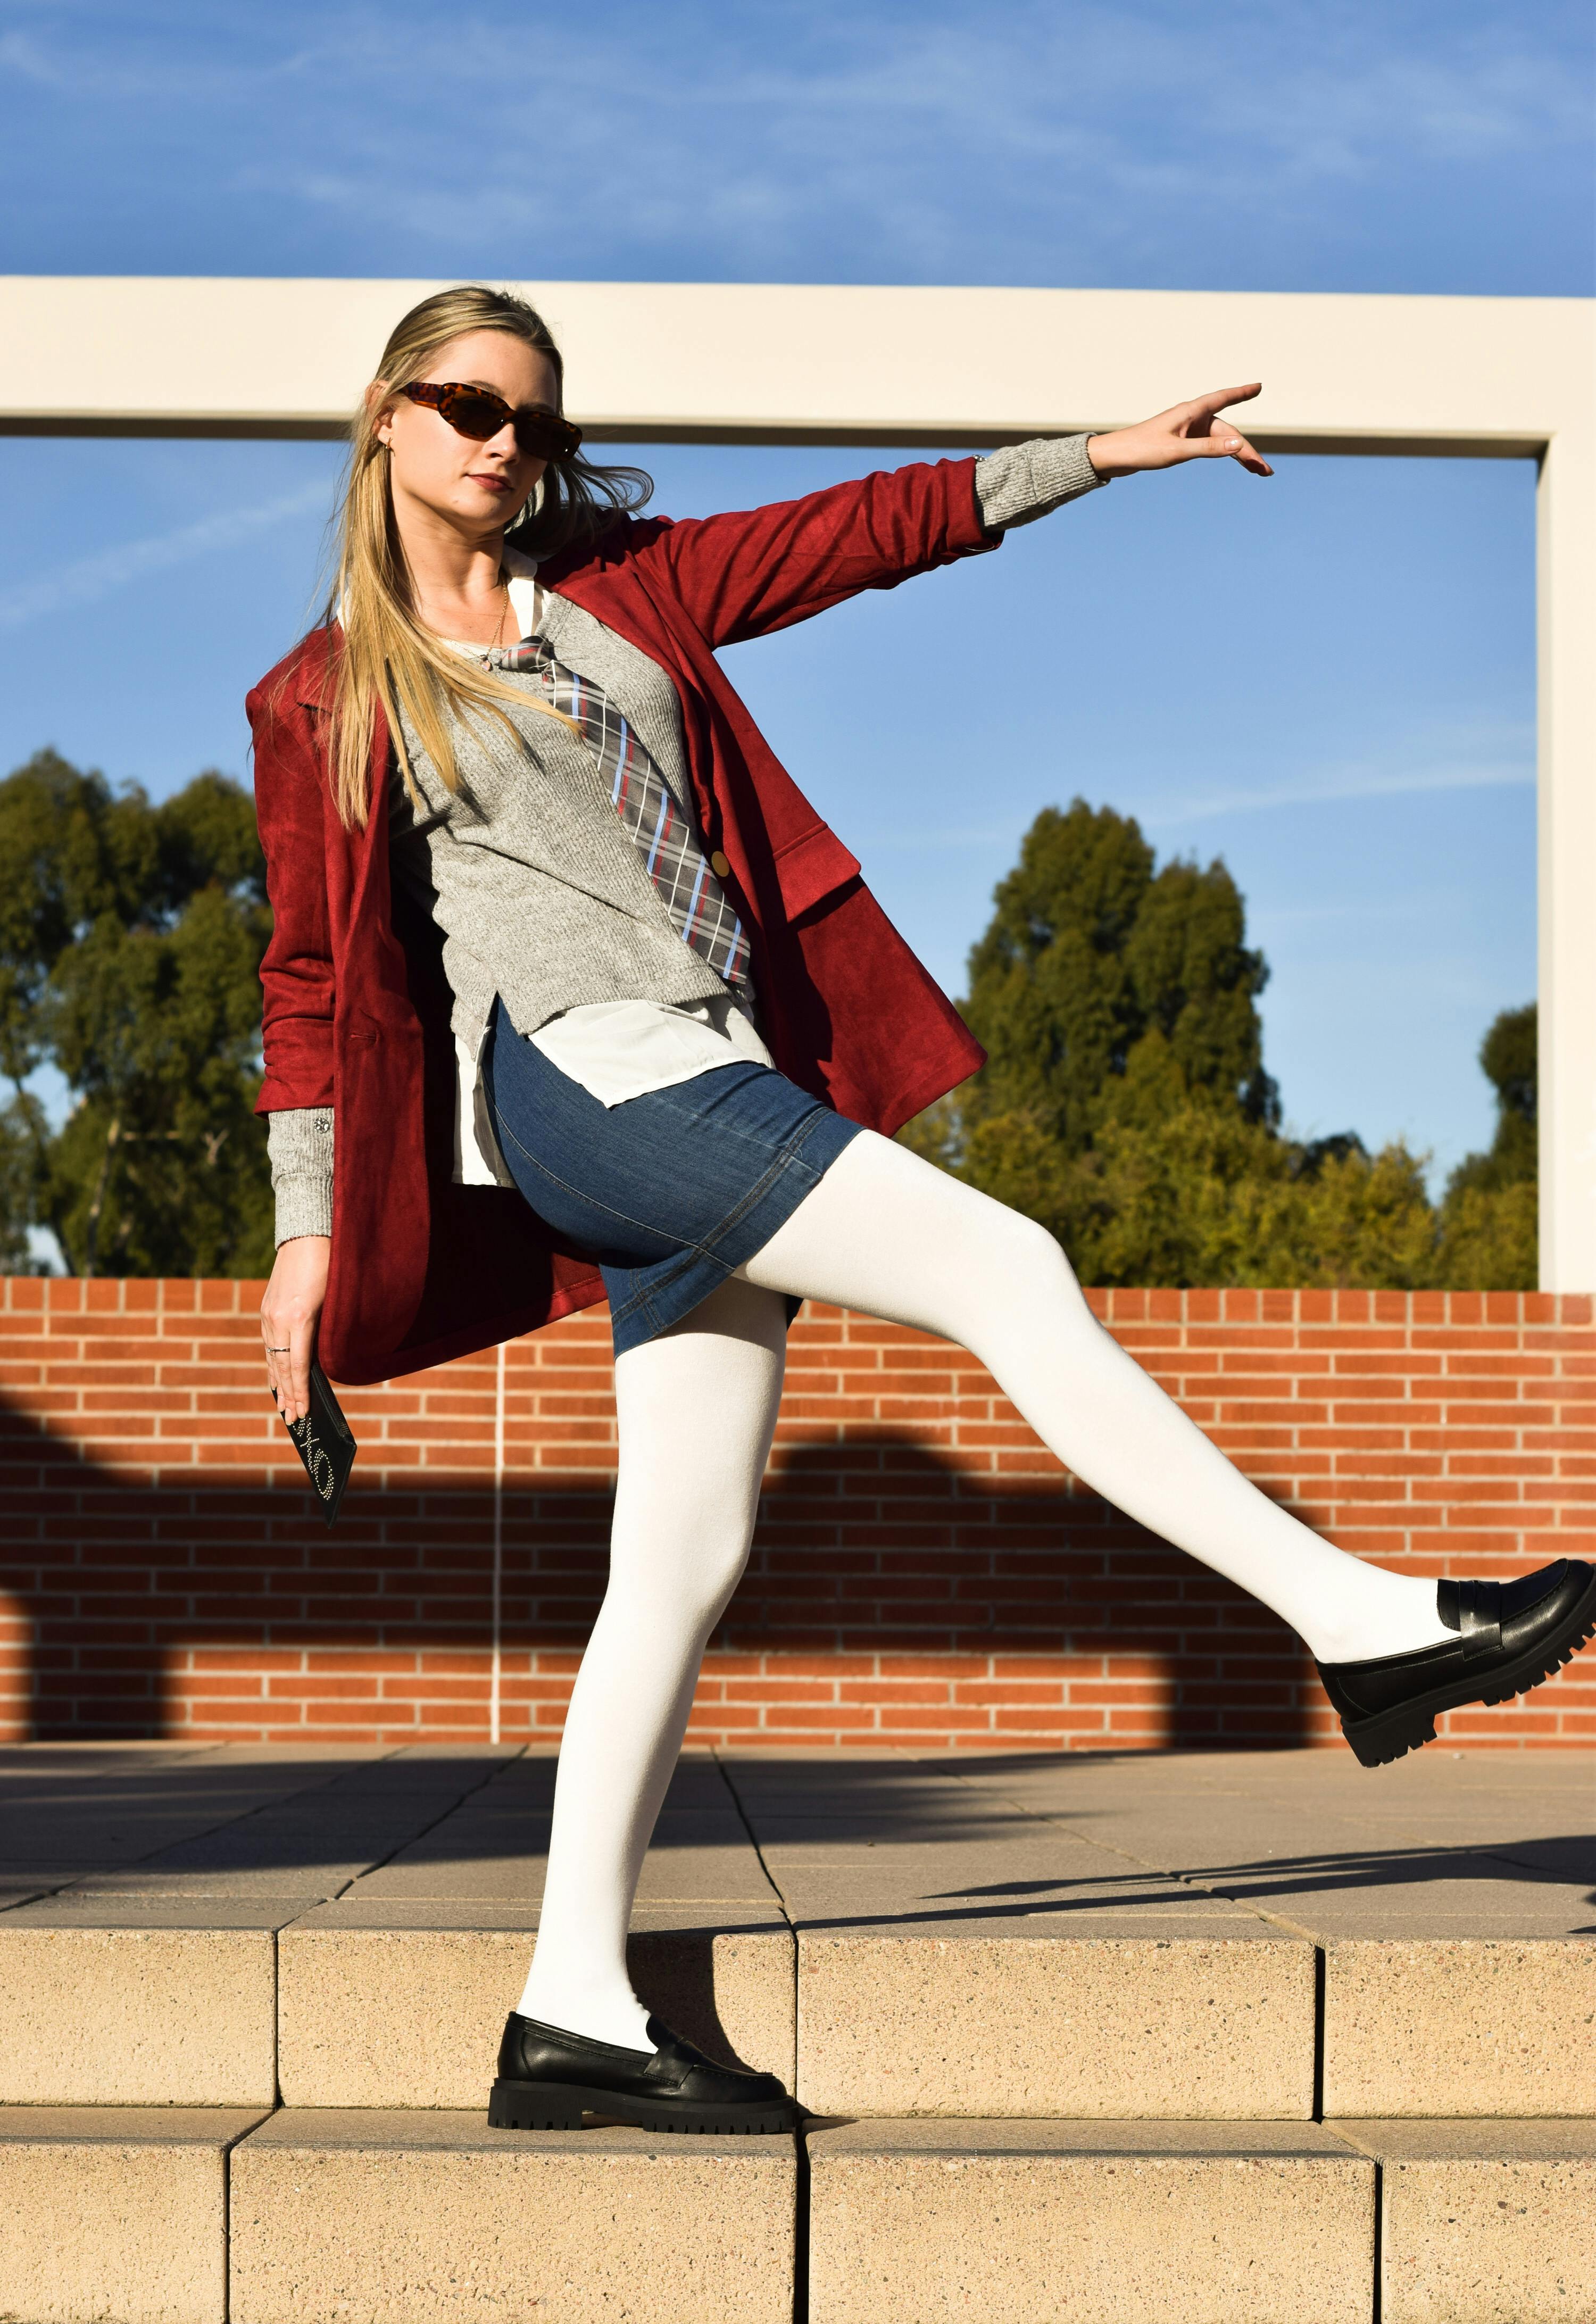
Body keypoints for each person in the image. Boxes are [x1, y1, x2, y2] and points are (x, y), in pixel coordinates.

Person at [253, 284, 1594, 2137]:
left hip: (706, 1055)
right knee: (1006, 1262)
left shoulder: (619, 591)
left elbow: (858, 538)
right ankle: (1359, 1622)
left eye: (536, 422)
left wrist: (1102, 459)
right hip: (584, 1077)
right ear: (389, 417)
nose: (505, 446)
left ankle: (571, 2001)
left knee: (684, 1552)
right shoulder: (329, 687)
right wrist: (303, 1242)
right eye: (471, 408)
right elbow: (311, 981)